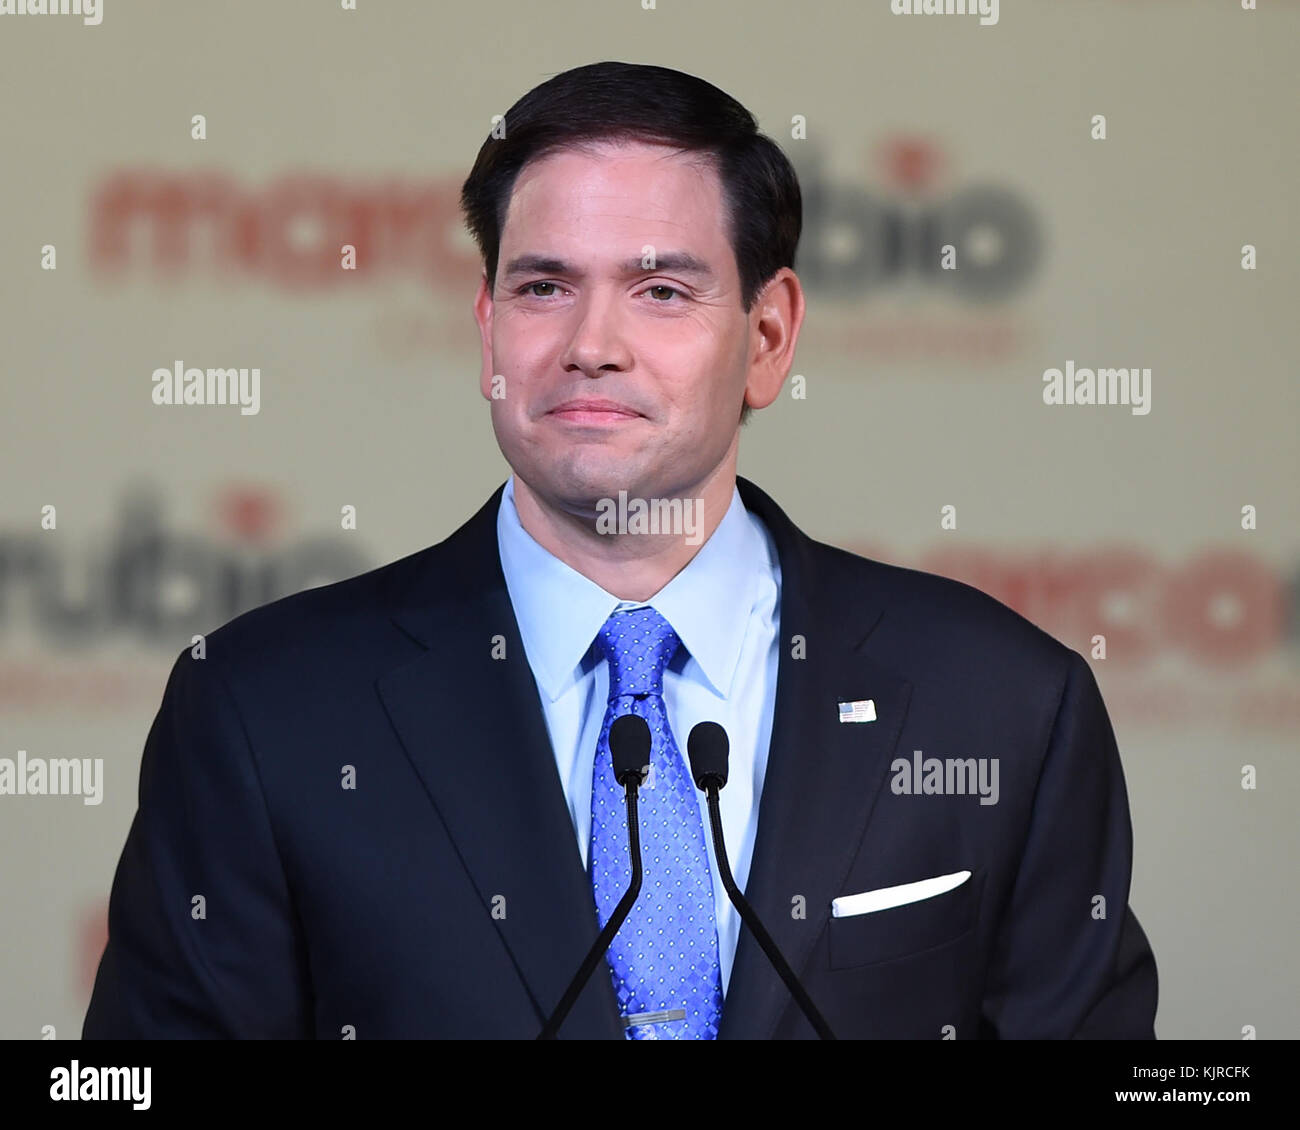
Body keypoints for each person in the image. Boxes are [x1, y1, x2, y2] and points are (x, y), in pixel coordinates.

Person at [82, 60, 1157, 1040]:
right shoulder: (265, 712)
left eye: (661, 291)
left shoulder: (1001, 704)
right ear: (488, 328)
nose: (591, 345)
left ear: (769, 336)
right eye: (542, 286)